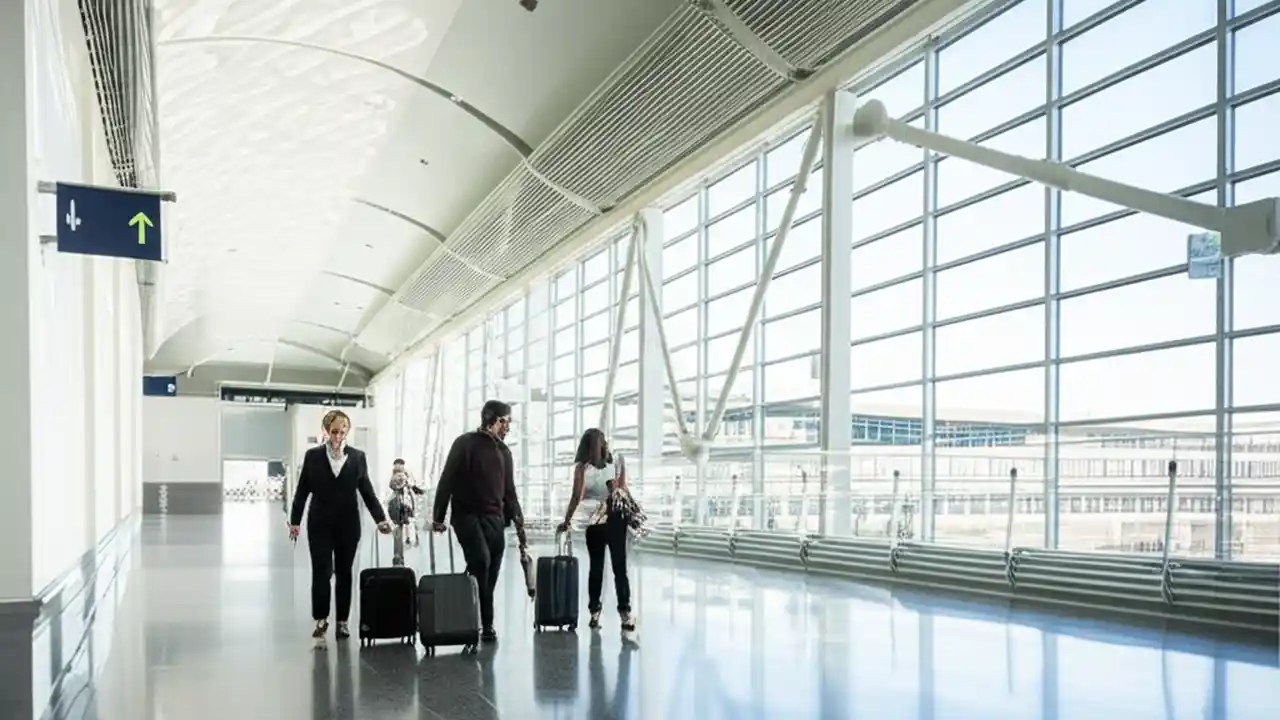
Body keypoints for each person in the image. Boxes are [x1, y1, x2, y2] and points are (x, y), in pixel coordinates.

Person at [288, 410, 392, 639]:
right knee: (322, 571)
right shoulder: (313, 456)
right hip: (319, 524)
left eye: (342, 432)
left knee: (345, 573)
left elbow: (367, 491)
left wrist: (381, 519)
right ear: (326, 430)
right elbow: (302, 490)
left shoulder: (357, 457)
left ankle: (343, 621)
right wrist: (295, 522)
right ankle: (321, 618)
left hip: (348, 525)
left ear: (347, 431)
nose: (337, 436)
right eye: (334, 431)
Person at [432, 400, 528, 642]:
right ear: (491, 419)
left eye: (509, 422)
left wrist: (520, 524)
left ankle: (479, 615)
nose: (507, 427)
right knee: (481, 561)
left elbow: (510, 491)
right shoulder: (465, 443)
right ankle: (480, 619)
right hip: (467, 515)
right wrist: (438, 516)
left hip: (495, 517)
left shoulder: (504, 452)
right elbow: (447, 480)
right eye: (504, 421)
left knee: (490, 569)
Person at [557, 428, 636, 633]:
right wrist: (633, 513)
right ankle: (625, 614)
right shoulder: (617, 461)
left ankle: (594, 613)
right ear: (603, 444)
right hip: (616, 521)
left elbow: (577, 497)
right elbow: (623, 490)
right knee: (620, 569)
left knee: (596, 568)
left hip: (594, 523)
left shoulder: (582, 468)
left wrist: (566, 521)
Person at [386, 458, 424, 566]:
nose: (400, 467)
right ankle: (399, 556)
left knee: (401, 530)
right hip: (400, 506)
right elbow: (395, 484)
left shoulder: (401, 475)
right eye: (398, 465)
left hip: (401, 506)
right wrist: (408, 483)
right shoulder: (399, 475)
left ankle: (400, 555)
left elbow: (403, 486)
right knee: (399, 530)